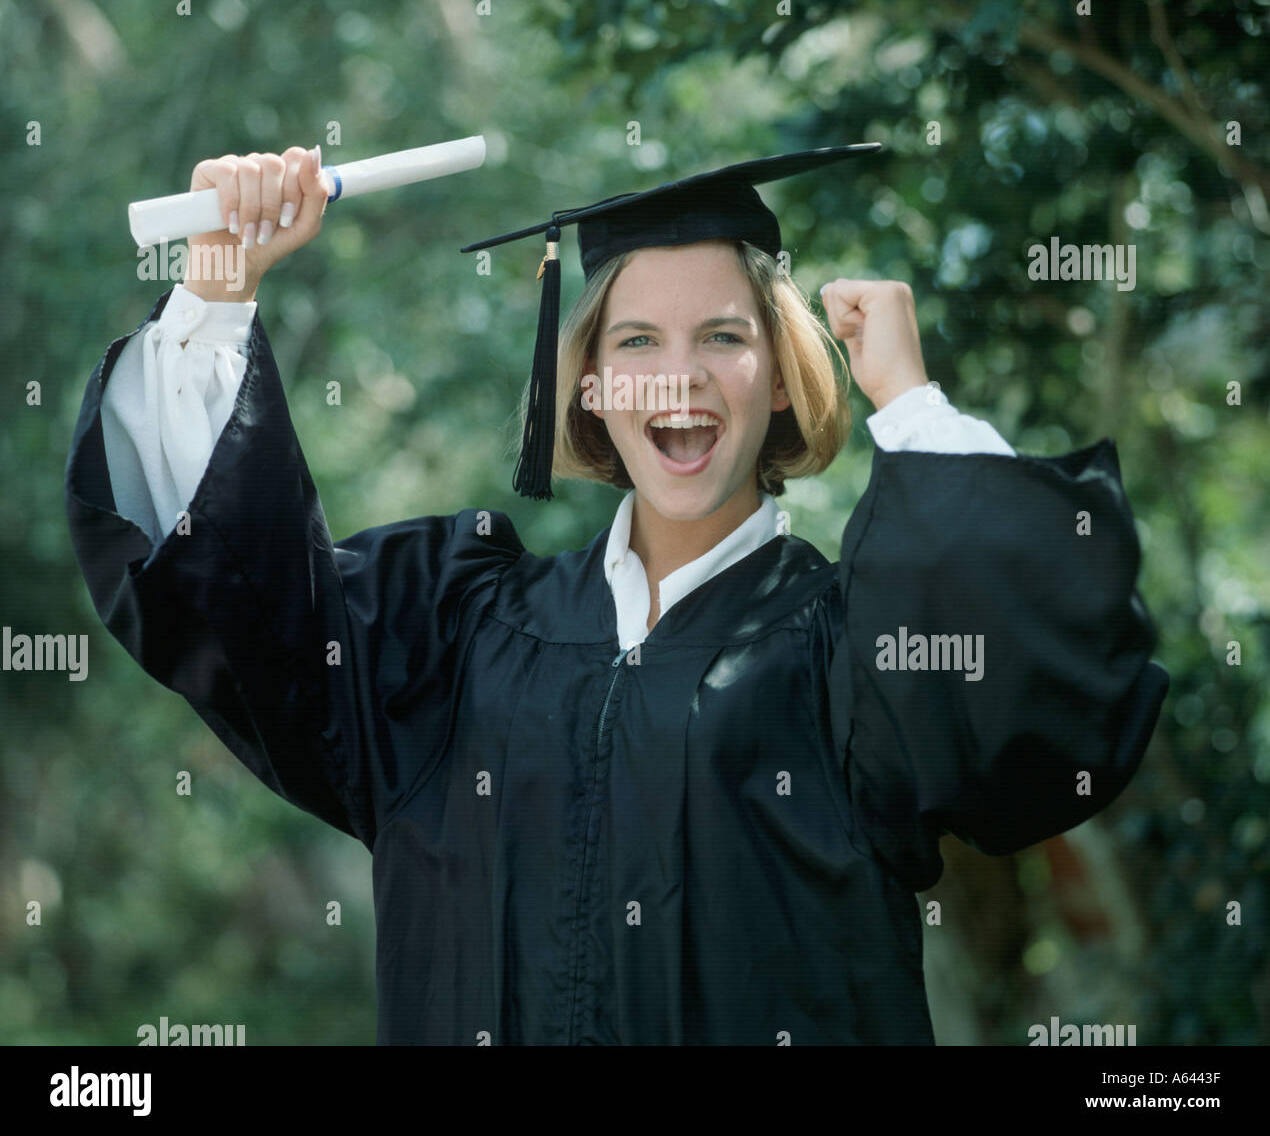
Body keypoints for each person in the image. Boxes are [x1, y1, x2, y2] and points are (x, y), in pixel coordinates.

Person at [65, 141, 1168, 1045]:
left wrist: (912, 402)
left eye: (724, 339)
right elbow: (244, 607)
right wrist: (217, 295)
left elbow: (1043, 692)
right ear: (590, 381)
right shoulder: (454, 636)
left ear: (780, 376)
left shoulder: (853, 658)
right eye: (637, 339)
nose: (677, 379)